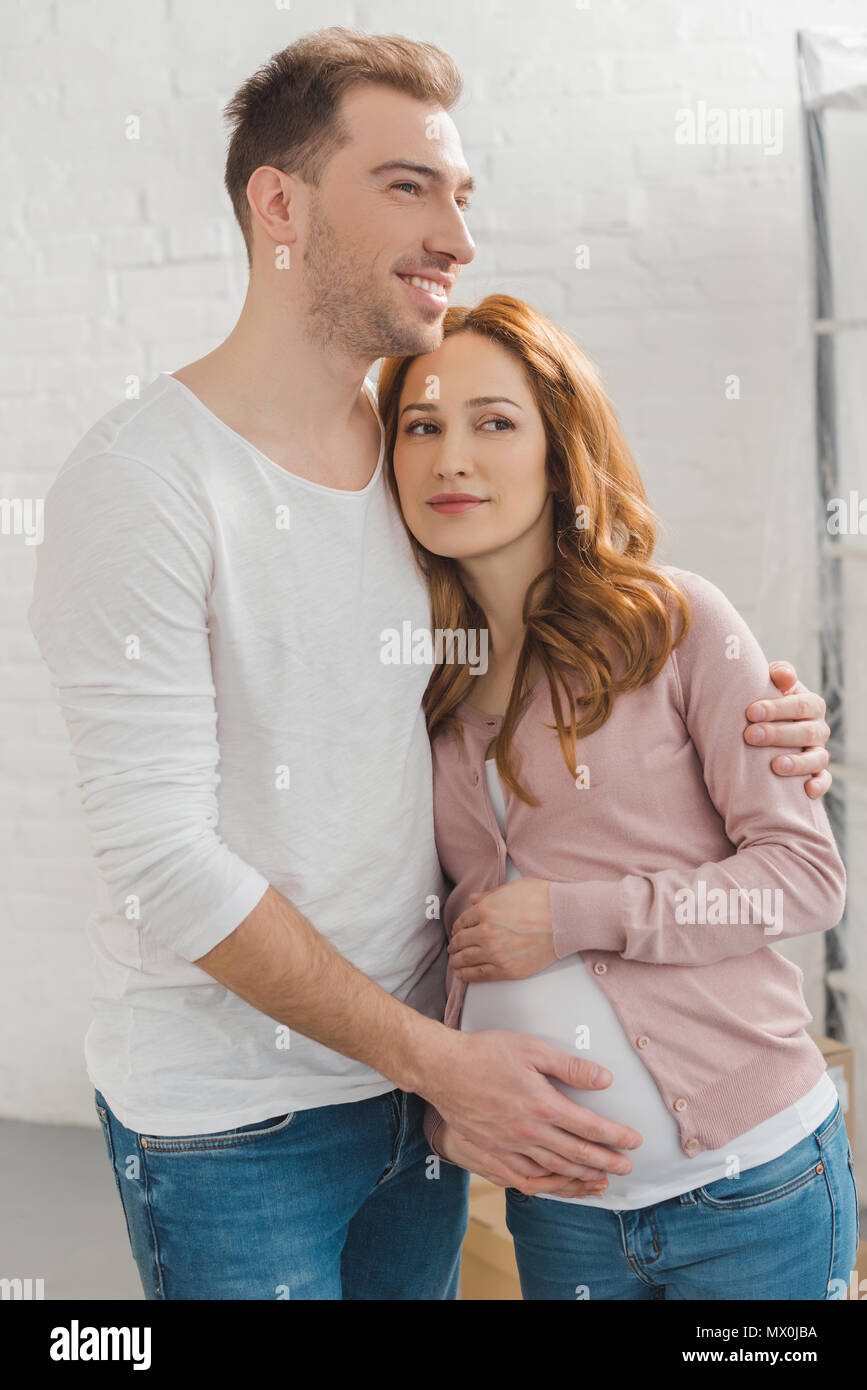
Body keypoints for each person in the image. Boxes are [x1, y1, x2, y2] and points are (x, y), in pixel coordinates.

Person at [28, 29, 834, 1300]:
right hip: (241, 1125)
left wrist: (771, 716)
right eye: (409, 185)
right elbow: (164, 864)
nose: (455, 236)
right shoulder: (146, 484)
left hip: (427, 1115)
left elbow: (580, 667)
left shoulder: (417, 480)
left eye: (462, 195)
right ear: (279, 202)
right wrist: (441, 1060)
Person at [376, 292, 857, 1300]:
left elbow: (807, 881)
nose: (450, 457)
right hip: (560, 1211)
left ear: (561, 450)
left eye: (493, 422)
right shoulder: (424, 681)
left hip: (748, 1192)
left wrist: (575, 916)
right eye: (421, 425)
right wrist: (444, 1105)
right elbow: (434, 930)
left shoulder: (676, 624)